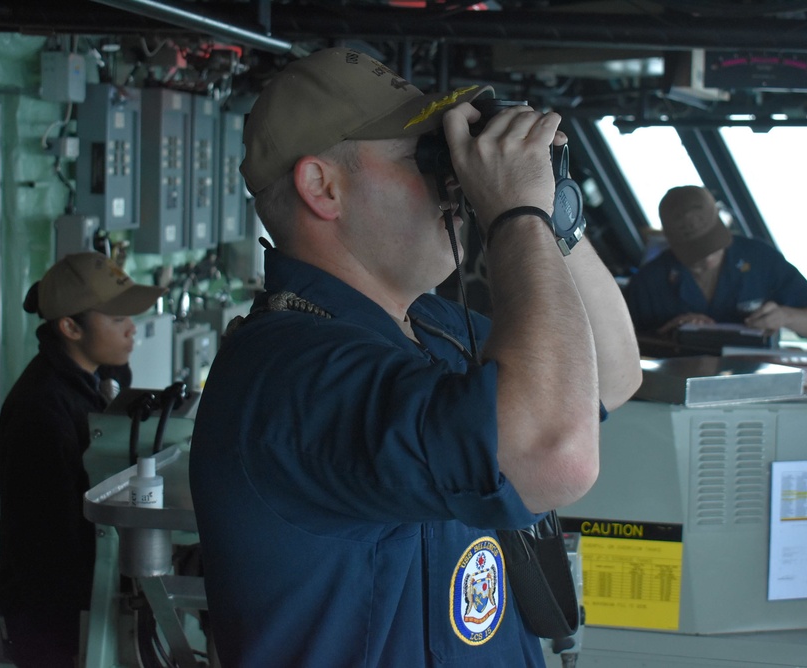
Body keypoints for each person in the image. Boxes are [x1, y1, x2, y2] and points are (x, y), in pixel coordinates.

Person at [189, 46, 641, 667]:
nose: (453, 180)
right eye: (424, 158)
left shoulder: (429, 324)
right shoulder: (293, 372)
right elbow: (555, 453)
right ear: (323, 187)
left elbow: (613, 374)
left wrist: (552, 213)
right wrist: (514, 212)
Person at [0, 252, 165, 667]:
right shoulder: (41, 408)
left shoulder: (94, 385)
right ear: (70, 327)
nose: (131, 329)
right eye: (117, 319)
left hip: (89, 602)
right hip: (53, 620)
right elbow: (48, 541)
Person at [624, 185, 807, 340]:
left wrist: (786, 316)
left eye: (713, 248)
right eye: (694, 256)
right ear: (670, 242)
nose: (707, 261)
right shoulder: (648, 282)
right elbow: (623, 348)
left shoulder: (761, 259)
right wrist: (668, 332)